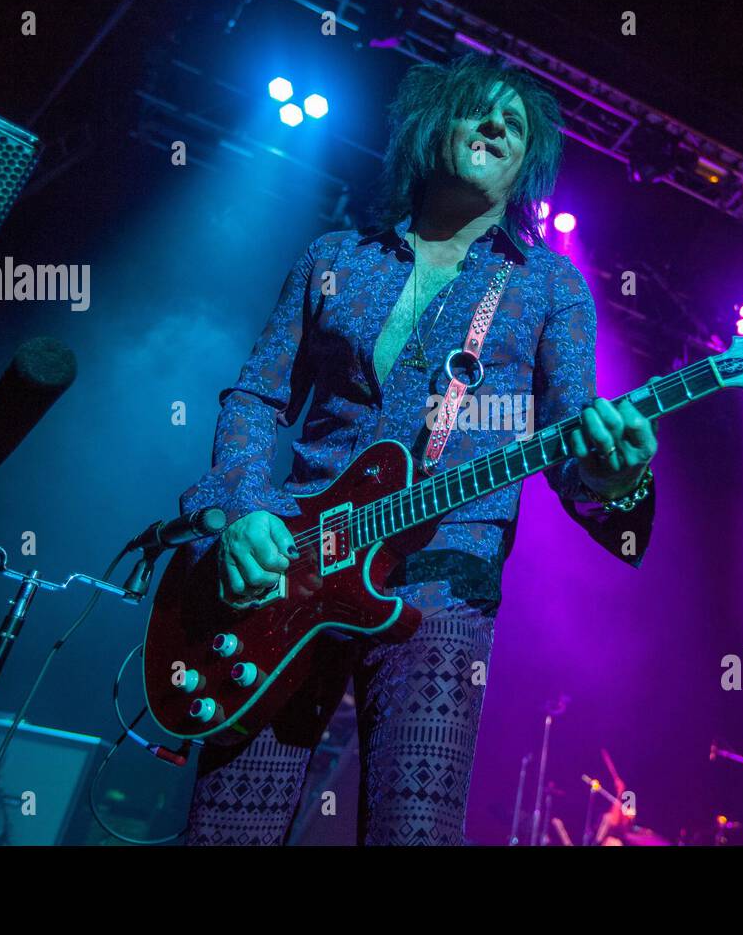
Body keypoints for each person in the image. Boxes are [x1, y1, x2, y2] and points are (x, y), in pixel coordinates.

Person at [179, 52, 658, 845]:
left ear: (527, 162)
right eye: (479, 108)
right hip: (291, 562)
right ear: (434, 125)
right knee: (227, 827)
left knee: (416, 831)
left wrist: (617, 472)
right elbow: (256, 396)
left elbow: (573, 441)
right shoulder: (334, 259)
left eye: (516, 121)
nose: (498, 122)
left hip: (444, 580)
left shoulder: (548, 285)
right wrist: (242, 509)